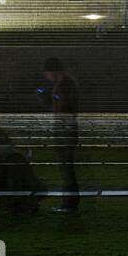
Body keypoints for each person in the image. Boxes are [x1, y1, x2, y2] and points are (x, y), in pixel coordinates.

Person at [39, 57, 80, 213]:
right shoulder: (66, 83)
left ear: (52, 70)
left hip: (65, 130)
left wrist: (48, 99)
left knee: (66, 168)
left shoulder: (65, 84)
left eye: (47, 73)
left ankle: (69, 203)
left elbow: (62, 105)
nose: (46, 77)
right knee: (66, 167)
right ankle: (69, 202)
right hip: (66, 128)